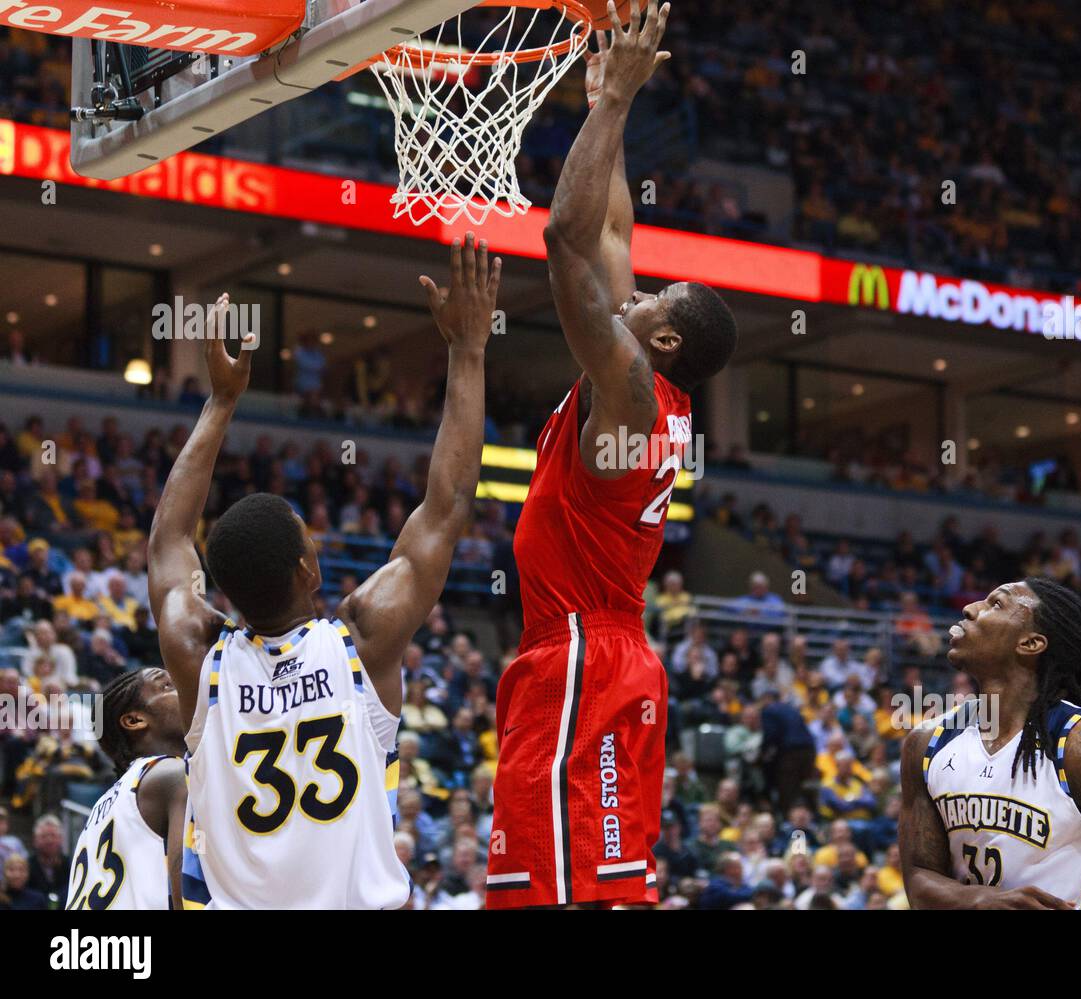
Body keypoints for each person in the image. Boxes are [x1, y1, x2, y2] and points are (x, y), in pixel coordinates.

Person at [148, 237, 500, 909]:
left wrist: (219, 404)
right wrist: (468, 349)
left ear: (223, 591)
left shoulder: (197, 655)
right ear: (311, 569)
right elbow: (449, 504)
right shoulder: (362, 640)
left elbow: (166, 540)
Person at [488, 2, 737, 910]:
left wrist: (609, 107)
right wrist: (612, 104)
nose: (632, 293)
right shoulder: (646, 391)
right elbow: (613, 237)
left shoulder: (630, 386)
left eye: (651, 300)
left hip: (583, 652)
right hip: (602, 649)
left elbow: (565, 242)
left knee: (556, 893)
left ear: (663, 341)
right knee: (598, 886)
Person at [900, 578, 1081, 909]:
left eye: (996, 604)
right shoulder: (926, 743)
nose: (969, 608)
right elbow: (918, 879)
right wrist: (981, 899)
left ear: (1031, 643)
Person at [66, 667, 189, 910]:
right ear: (134, 720)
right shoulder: (170, 775)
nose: (186, 688)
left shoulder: (104, 804)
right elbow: (189, 886)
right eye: (167, 686)